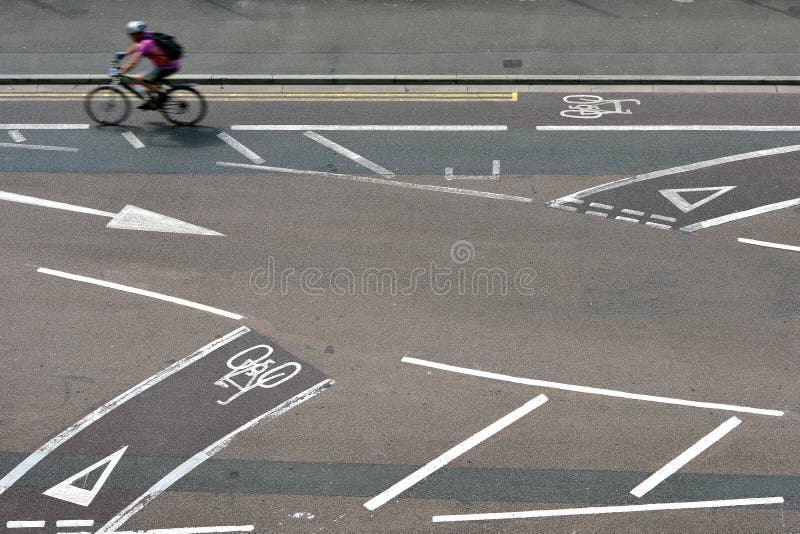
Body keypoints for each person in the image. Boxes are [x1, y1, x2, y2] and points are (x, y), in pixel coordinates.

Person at [115, 21, 180, 109]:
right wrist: (124, 53)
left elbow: (133, 63)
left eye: (130, 34)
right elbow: (136, 46)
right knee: (145, 84)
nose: (130, 36)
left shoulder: (145, 44)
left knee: (139, 79)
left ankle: (162, 96)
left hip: (166, 67)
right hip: (168, 64)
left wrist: (120, 71)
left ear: (135, 34)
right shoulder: (146, 35)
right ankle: (151, 101)